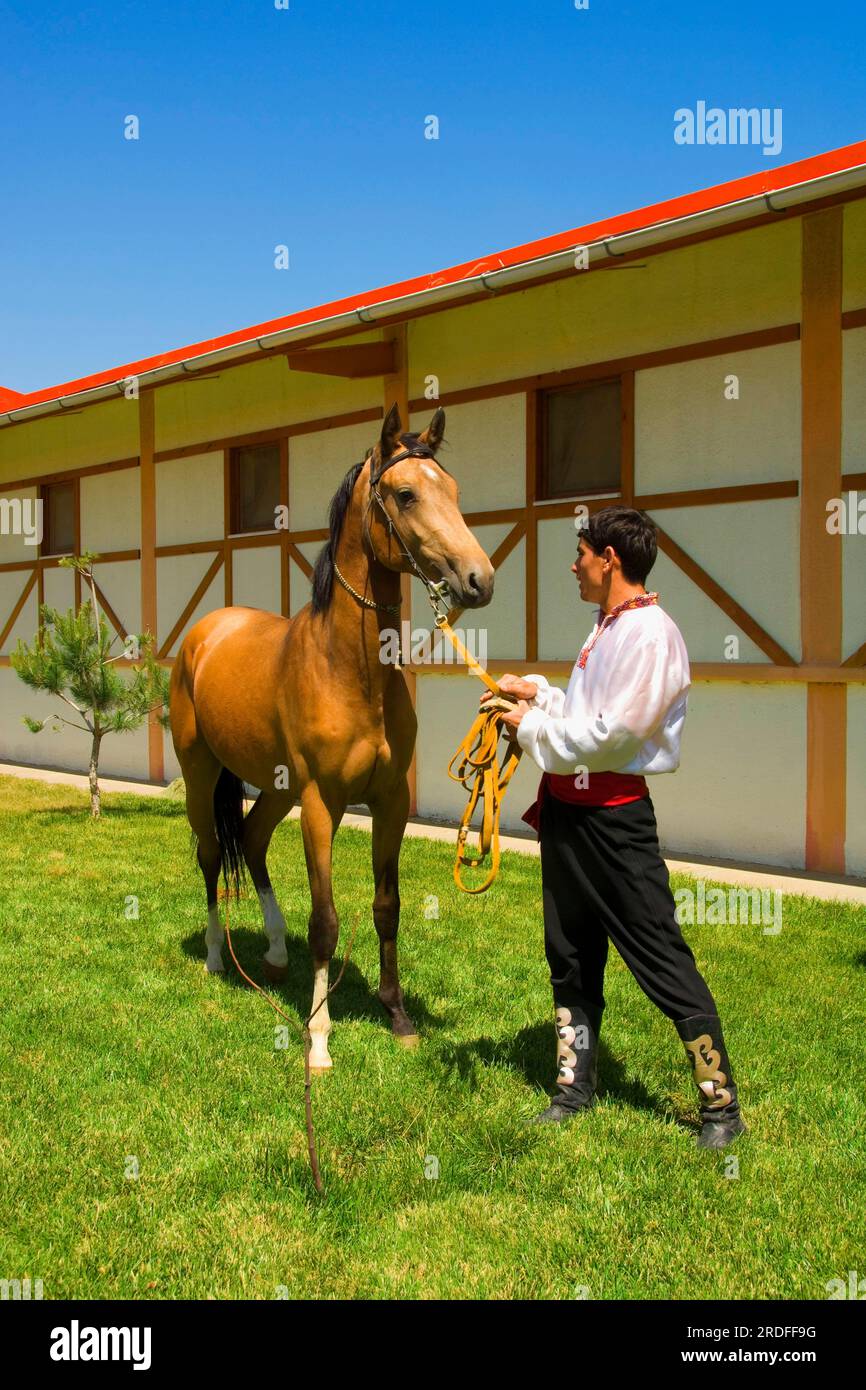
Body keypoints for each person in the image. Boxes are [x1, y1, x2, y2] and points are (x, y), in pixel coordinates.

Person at [484, 505, 746, 1150]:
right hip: (570, 816)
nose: (573, 565)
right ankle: (574, 1088)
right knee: (569, 954)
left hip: (616, 823)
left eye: (581, 553)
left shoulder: (652, 634)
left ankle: (721, 1106)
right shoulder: (607, 626)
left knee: (658, 954)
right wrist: (536, 697)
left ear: (610, 560)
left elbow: (614, 735)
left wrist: (532, 728)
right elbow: (586, 715)